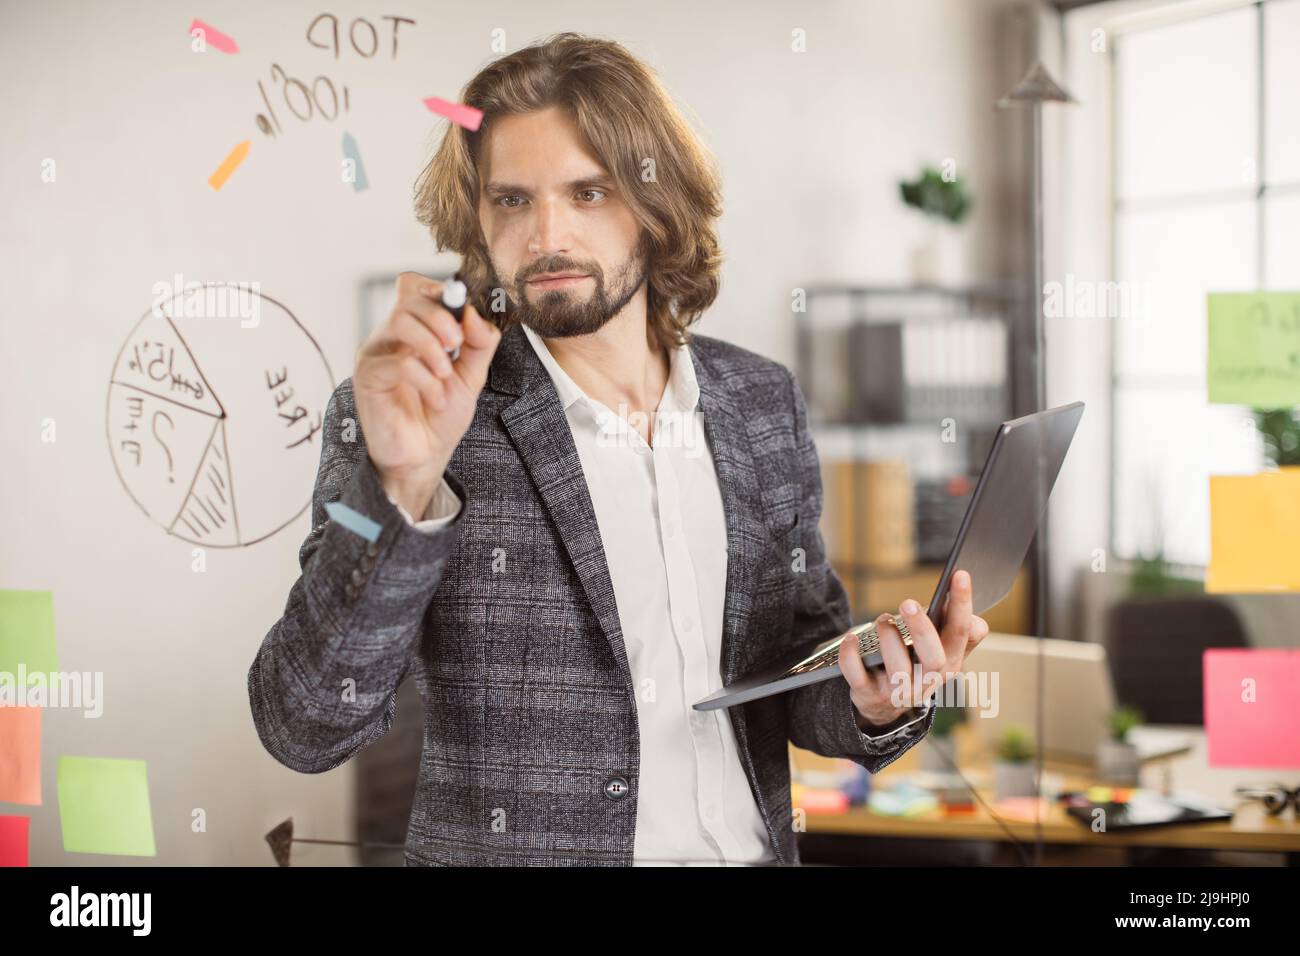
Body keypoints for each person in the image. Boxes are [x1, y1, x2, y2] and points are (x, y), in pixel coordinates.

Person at [248, 32, 989, 866]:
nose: (546, 235)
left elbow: (793, 677)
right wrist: (404, 482)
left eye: (588, 192)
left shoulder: (759, 401)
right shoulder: (411, 416)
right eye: (512, 200)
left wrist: (880, 697)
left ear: (656, 204)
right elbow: (303, 726)